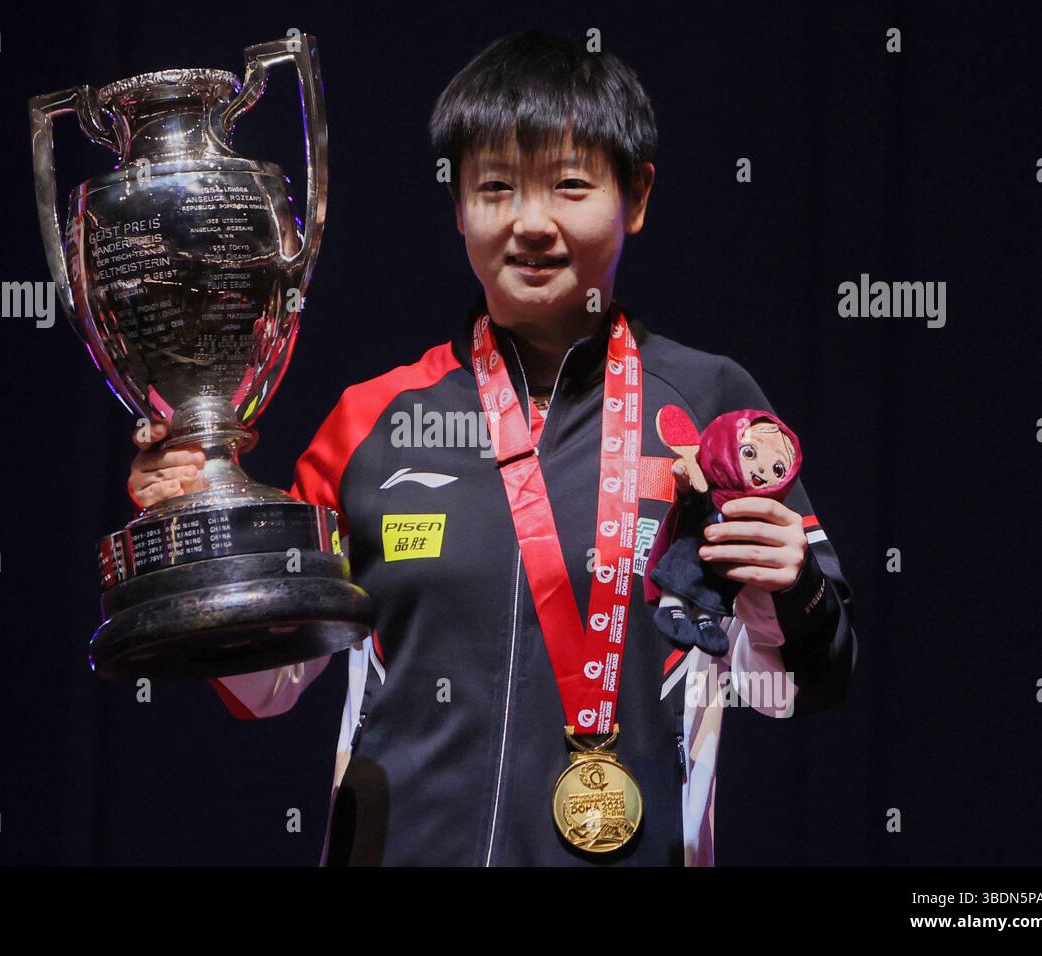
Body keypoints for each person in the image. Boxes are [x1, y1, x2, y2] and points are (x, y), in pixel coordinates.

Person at [128, 30, 857, 866]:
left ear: (638, 196)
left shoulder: (714, 410)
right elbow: (263, 688)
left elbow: (797, 688)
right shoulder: (373, 420)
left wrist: (788, 588)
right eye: (496, 187)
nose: (531, 224)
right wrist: (194, 532)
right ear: (458, 205)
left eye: (571, 185)